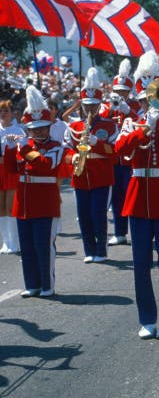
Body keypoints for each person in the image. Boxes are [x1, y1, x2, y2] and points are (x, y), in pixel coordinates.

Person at [114, 51, 159, 339]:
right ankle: (147, 318)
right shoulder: (132, 124)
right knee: (141, 264)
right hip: (138, 199)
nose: (151, 103)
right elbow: (120, 151)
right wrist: (145, 129)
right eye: (147, 99)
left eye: (156, 97)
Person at [4, 85, 71, 297]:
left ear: (49, 127)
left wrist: (23, 147)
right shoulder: (26, 144)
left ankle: (47, 285)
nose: (38, 131)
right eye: (34, 128)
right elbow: (11, 169)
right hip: (23, 201)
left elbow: (44, 165)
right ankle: (32, 284)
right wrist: (9, 149)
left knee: (43, 245)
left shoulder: (55, 146)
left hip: (45, 201)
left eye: (42, 127)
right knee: (27, 246)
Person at [64, 67, 118, 263]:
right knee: (84, 215)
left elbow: (116, 153)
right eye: (87, 105)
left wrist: (98, 144)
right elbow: (67, 150)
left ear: (99, 105)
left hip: (102, 176)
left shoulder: (110, 125)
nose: (90, 109)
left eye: (93, 106)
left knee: (98, 214)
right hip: (80, 176)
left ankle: (101, 251)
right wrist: (74, 158)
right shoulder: (74, 126)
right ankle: (89, 250)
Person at [104, 59, 140, 246]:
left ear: (129, 91)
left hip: (131, 159)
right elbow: (100, 124)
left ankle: (136, 230)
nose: (120, 94)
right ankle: (119, 232)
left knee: (131, 195)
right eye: (117, 91)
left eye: (123, 91)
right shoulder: (108, 106)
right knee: (116, 196)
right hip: (114, 159)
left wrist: (128, 112)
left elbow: (141, 124)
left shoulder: (136, 106)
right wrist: (111, 111)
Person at [0, 97, 24, 254]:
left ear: (12, 114)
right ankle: (5, 242)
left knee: (10, 206)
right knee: (0, 208)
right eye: (1, 110)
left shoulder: (18, 131)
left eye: (6, 111)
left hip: (10, 171)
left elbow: (22, 153)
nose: (3, 113)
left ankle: (14, 242)